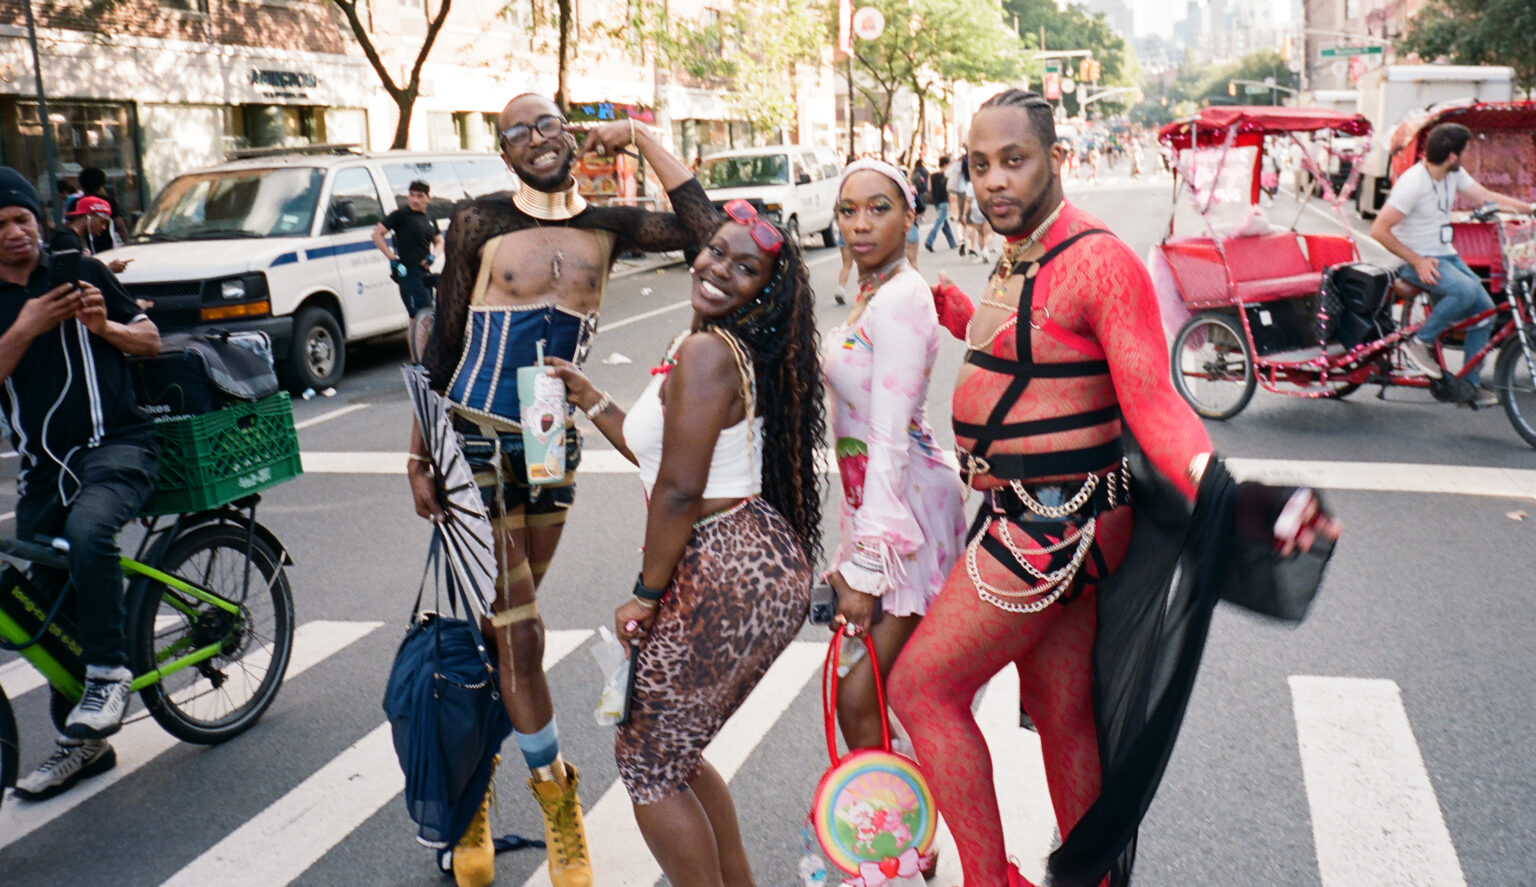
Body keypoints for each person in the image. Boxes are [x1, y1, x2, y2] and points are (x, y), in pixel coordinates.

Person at [887, 91, 1339, 887]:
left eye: (1013, 160)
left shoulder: (1097, 259)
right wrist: (963, 315)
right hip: (1049, 521)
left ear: (1057, 158)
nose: (994, 179)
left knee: (922, 687)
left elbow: (1157, 406)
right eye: (981, 163)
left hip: (1047, 529)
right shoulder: (1022, 244)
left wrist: (1228, 492)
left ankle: (989, 881)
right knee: (1063, 715)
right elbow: (1037, 353)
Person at [410, 95, 716, 887]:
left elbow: (704, 228)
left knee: (506, 630)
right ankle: (554, 805)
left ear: (570, 135)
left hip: (550, 433)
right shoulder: (478, 221)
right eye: (517, 132)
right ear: (503, 150)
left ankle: (476, 786)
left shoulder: (609, 227)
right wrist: (421, 448)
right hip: (472, 428)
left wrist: (644, 136)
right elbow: (443, 338)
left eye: (547, 124)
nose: (537, 140)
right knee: (516, 631)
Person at [549, 199, 824, 887]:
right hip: (750, 560)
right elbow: (657, 454)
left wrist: (644, 594)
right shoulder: (705, 343)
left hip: (726, 566)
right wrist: (589, 398)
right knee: (673, 749)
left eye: (746, 267)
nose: (720, 269)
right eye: (717, 251)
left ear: (766, 289)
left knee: (647, 758)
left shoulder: (708, 350)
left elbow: (677, 487)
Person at [822, 160, 966, 871]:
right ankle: (914, 832)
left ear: (911, 216)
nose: (859, 225)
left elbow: (885, 440)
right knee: (889, 693)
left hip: (906, 512)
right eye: (847, 211)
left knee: (864, 696)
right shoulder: (869, 294)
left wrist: (870, 564)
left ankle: (908, 833)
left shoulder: (903, 300)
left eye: (876, 209)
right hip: (875, 512)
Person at [0, 167, 161, 800]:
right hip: (44, 470)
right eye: (0, 226)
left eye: (21, 219)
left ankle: (110, 673)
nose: (15, 234)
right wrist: (27, 326)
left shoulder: (80, 271)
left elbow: (149, 339)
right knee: (41, 602)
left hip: (118, 446)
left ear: (39, 220)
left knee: (89, 532)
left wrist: (105, 330)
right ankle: (85, 743)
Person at [1369, 122, 1534, 407]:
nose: (1465, 157)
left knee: (1486, 311)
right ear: (1452, 156)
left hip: (1445, 254)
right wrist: (1417, 261)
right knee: (1464, 291)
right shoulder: (1412, 184)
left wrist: (1529, 208)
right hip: (1417, 259)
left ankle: (1468, 386)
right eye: (1464, 152)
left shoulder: (1452, 174)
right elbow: (1379, 230)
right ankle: (1419, 343)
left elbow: (1486, 196)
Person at [372, 179, 443, 317]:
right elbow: (377, 234)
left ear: (428, 198)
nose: (415, 200)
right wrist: (392, 259)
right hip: (408, 272)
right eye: (412, 195)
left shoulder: (429, 217)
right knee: (422, 315)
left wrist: (433, 256)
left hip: (425, 272)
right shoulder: (401, 215)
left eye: (419, 196)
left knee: (421, 317)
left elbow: (440, 241)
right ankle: (421, 339)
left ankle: (419, 339)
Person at [50, 195, 132, 275]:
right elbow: (73, 275)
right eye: (102, 222)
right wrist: (108, 268)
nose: (104, 228)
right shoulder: (68, 241)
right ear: (88, 216)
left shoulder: (79, 239)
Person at [72, 167, 127, 254]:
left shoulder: (76, 202)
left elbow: (69, 225)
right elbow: (119, 225)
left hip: (84, 250)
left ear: (81, 184)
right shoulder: (109, 201)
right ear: (101, 184)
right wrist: (127, 243)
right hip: (107, 249)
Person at [925, 155, 957, 252]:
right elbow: (951, 189)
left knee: (944, 222)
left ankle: (952, 243)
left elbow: (929, 189)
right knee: (939, 222)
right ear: (946, 164)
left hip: (936, 202)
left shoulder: (932, 175)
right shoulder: (947, 175)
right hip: (944, 201)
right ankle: (929, 241)